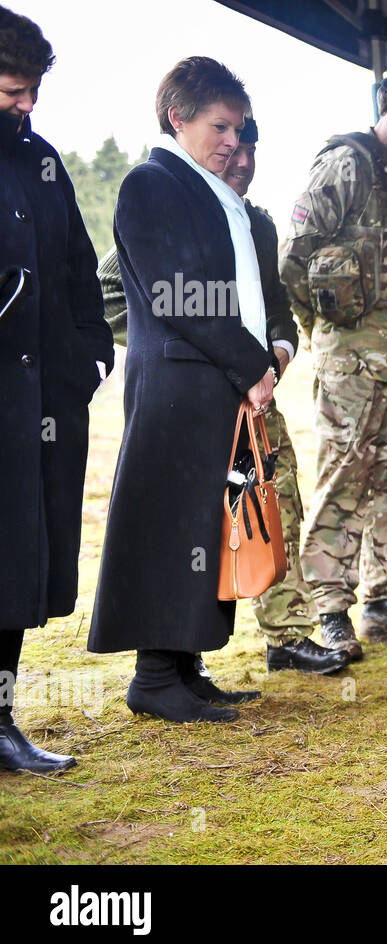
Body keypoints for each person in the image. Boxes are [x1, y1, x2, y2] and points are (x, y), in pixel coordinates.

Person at [97, 117, 351, 678]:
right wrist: (169, 348)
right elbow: (118, 289)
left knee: (271, 505)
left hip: (255, 396)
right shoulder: (173, 204)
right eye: (231, 149)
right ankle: (174, 660)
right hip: (191, 396)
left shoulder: (257, 226)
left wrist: (276, 356)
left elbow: (280, 306)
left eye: (250, 153)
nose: (241, 161)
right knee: (196, 521)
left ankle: (285, 634)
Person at [88, 57, 281, 723]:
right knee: (168, 525)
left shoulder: (198, 187)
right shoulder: (152, 182)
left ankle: (186, 666)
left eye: (238, 128)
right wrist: (252, 364)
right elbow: (181, 297)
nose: (233, 140)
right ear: (179, 117)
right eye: (220, 126)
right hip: (176, 385)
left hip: (205, 384)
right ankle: (152, 677)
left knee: (202, 522)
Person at [280, 66, 387, 651]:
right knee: (345, 474)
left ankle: (385, 600)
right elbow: (294, 254)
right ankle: (329, 610)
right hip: (353, 359)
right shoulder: (346, 162)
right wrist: (322, 330)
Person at [0, 6, 114, 771]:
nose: (26, 105)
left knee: (17, 566)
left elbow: (79, 269)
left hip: (37, 408)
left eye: (33, 90)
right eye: (12, 89)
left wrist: (92, 360)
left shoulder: (41, 163)